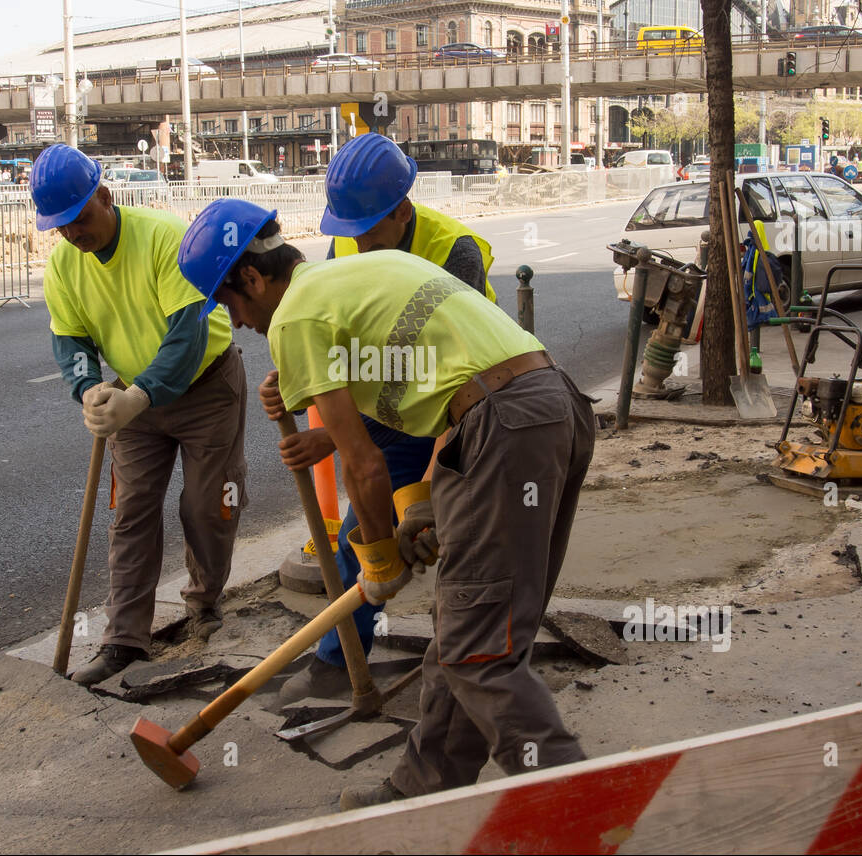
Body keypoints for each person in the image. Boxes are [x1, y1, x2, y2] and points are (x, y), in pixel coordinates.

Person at [178, 200, 593, 809]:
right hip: (551, 408)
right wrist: (423, 502)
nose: (236, 322)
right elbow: (446, 387)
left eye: (229, 302)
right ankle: (417, 795)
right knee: (472, 635)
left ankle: (582, 812)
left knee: (481, 650)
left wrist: (377, 563)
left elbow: (364, 465)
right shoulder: (364, 275)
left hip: (502, 428)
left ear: (252, 277)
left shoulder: (295, 318)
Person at [271, 132, 497, 706]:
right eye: (350, 231)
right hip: (393, 406)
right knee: (360, 532)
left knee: (460, 533)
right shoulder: (346, 245)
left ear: (403, 211)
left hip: (470, 404)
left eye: (370, 230)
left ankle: (467, 664)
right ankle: (339, 663)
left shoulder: (455, 250)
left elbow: (454, 375)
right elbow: (343, 353)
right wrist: (323, 422)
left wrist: (429, 482)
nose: (359, 245)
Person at [33, 144, 248, 686]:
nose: (75, 234)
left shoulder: (162, 237)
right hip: (135, 403)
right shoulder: (63, 265)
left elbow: (187, 335)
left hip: (204, 388)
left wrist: (139, 394)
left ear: (105, 197)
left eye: (81, 218)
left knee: (208, 505)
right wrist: (88, 389)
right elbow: (71, 339)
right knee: (130, 515)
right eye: (62, 227)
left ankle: (204, 604)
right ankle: (125, 640)